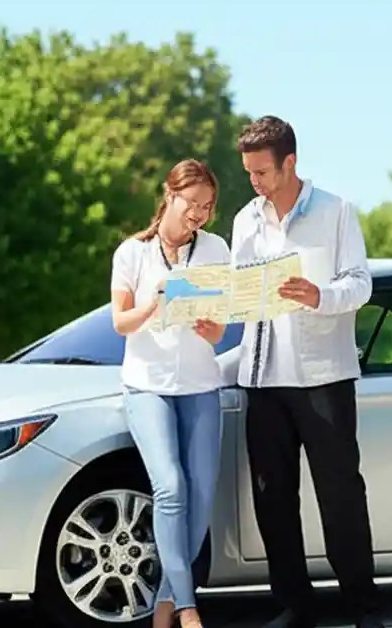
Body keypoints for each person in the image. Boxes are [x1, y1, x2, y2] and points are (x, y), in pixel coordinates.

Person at [229, 116, 382, 628]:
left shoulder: (337, 212)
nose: (254, 182)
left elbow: (361, 285)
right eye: (248, 172)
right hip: (263, 380)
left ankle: (364, 607)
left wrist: (320, 296)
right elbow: (240, 292)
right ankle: (296, 606)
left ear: (290, 162)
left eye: (262, 172)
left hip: (324, 379)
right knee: (274, 500)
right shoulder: (245, 221)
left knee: (340, 498)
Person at [110, 159, 232, 628]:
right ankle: (187, 607)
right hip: (148, 387)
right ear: (170, 196)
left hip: (201, 385)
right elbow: (120, 323)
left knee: (200, 499)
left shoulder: (216, 249)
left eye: (207, 206)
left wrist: (208, 324)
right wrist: (155, 300)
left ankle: (164, 603)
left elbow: (220, 330)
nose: (199, 213)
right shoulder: (132, 253)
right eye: (192, 203)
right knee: (171, 488)